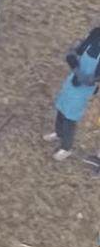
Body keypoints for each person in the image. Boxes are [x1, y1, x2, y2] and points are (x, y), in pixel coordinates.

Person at [44, 28, 100, 161]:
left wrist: (92, 79)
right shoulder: (96, 33)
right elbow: (78, 50)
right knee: (61, 106)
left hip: (86, 87)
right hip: (74, 78)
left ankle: (66, 147)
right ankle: (58, 133)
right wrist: (75, 65)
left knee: (71, 115)